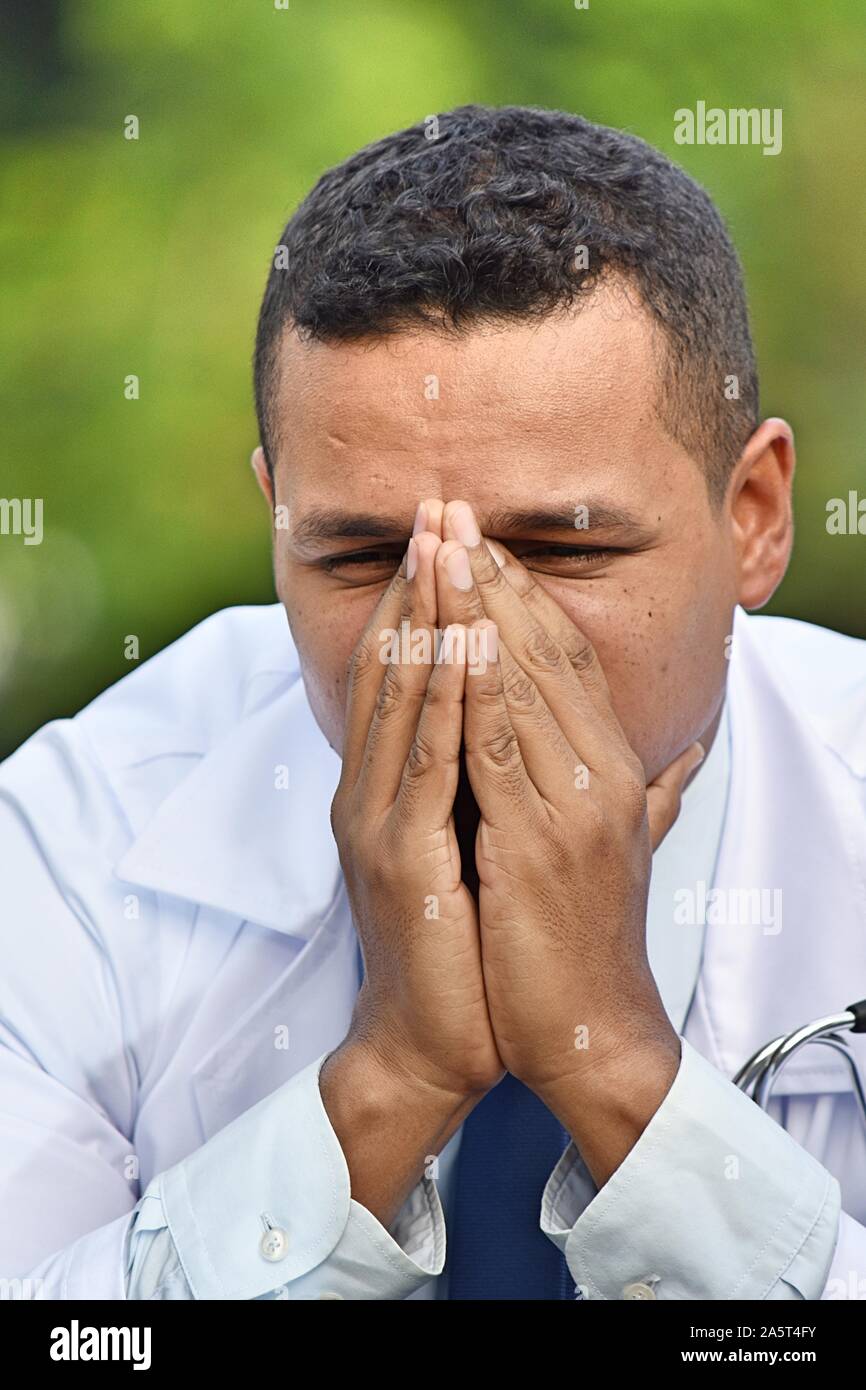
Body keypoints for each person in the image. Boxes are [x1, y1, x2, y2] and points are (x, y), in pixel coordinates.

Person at [2, 104, 864, 1302]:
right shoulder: (73, 841)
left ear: (754, 516)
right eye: (362, 558)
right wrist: (390, 1080)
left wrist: (618, 1074)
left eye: (560, 551)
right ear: (274, 522)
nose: (458, 638)